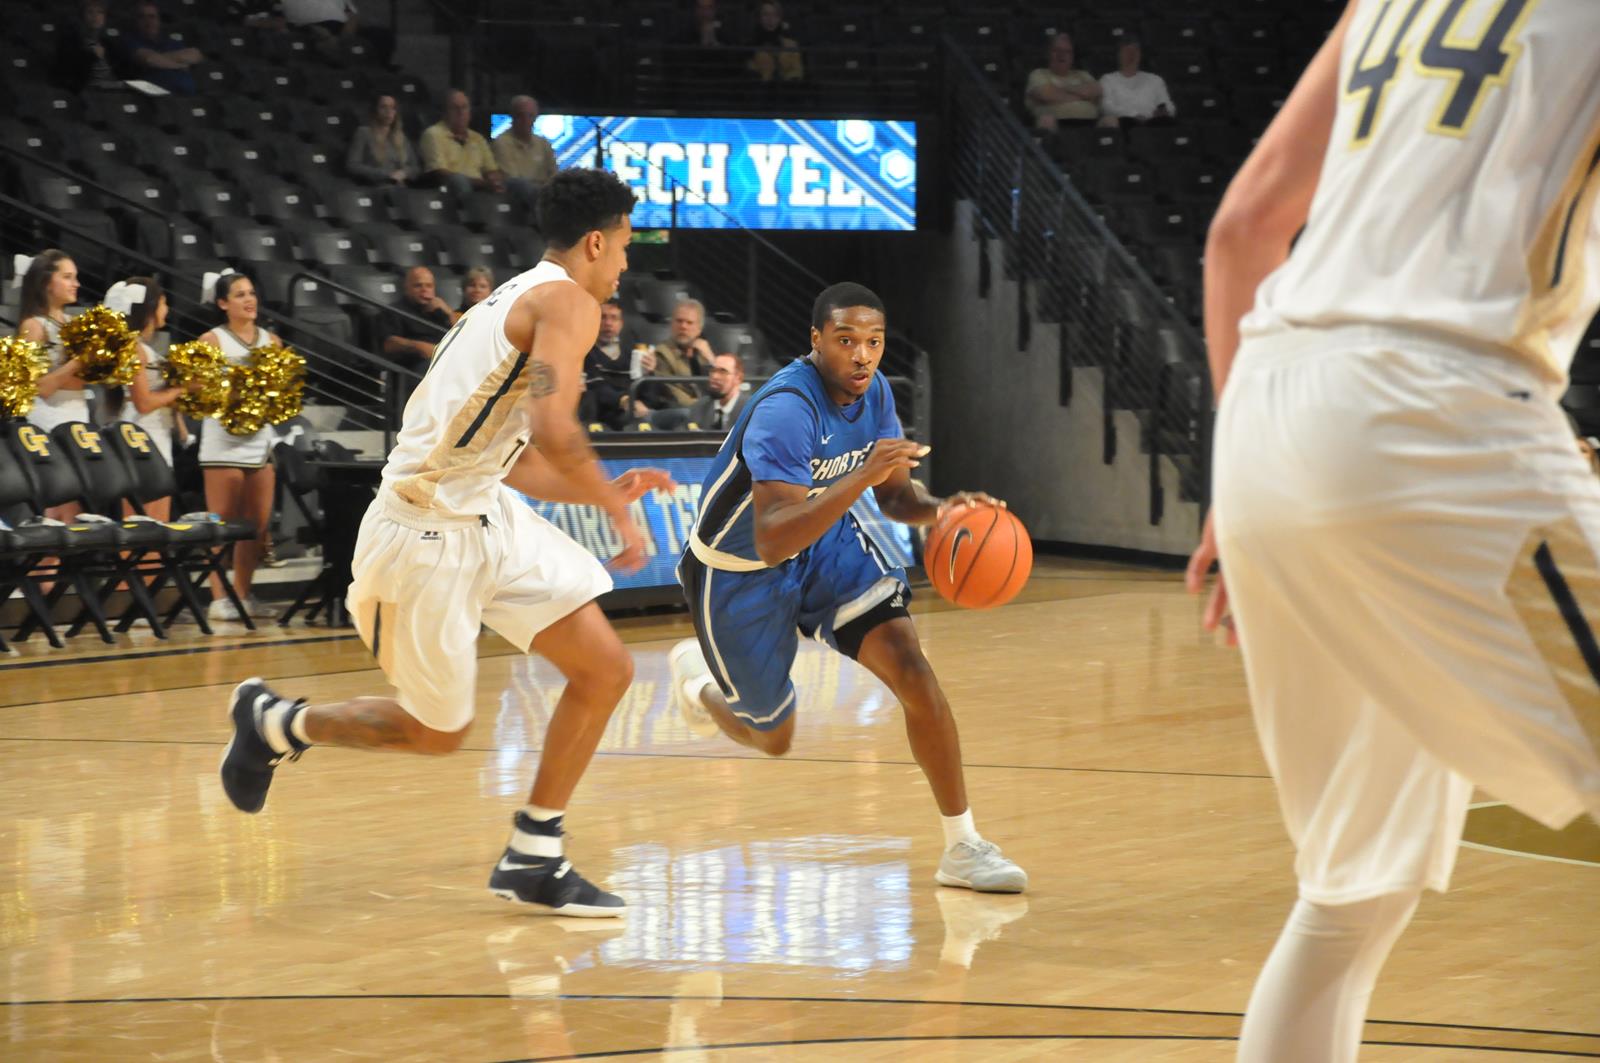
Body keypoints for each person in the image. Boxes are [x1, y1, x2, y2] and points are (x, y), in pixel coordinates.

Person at [1184, 2, 1600, 1060]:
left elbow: (1243, 227)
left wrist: (1234, 501)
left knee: (1349, 892)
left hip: (1269, 408)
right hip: (1431, 411)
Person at [219, 168, 673, 917]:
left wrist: (603, 491)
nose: (626, 265)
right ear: (597, 241)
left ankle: (535, 851)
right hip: (421, 533)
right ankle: (276, 721)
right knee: (437, 733)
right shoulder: (566, 300)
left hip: (481, 509)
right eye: (625, 246)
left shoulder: (511, 298)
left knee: (604, 667)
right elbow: (558, 428)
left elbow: (516, 452)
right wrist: (621, 518)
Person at [668, 282, 1028, 894]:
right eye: (846, 341)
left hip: (825, 548)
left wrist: (943, 511)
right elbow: (774, 538)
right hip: (738, 572)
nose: (862, 356)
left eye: (874, 342)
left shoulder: (877, 392)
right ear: (816, 341)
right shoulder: (787, 408)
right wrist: (863, 471)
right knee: (772, 736)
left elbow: (893, 496)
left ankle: (963, 845)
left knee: (914, 671)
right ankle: (697, 684)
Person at [195, 271, 281, 622]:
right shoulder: (212, 340)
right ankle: (219, 598)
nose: (249, 300)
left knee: (255, 527)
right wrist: (236, 391)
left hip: (259, 439)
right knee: (221, 527)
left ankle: (243, 595)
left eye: (252, 293)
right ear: (222, 303)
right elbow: (199, 387)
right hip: (222, 440)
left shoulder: (272, 341)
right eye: (239, 294)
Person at [104, 277, 190, 518]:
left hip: (155, 436)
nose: (168, 309)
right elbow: (143, 402)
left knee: (156, 529)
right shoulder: (133, 348)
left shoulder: (142, 348)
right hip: (140, 437)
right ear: (150, 308)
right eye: (163, 302)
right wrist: (181, 390)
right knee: (140, 527)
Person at [16, 251, 86, 436]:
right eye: (67, 277)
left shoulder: (76, 324)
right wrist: (78, 362)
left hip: (79, 411)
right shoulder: (34, 326)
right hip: (50, 417)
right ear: (46, 283)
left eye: (75, 277)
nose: (76, 284)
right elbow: (38, 388)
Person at [419, 89, 505, 200]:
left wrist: (494, 181)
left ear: (470, 112)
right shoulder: (433, 134)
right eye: (455, 108)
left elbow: (491, 169)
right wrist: (484, 183)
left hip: (481, 188)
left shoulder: (478, 138)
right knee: (459, 180)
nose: (460, 112)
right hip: (450, 192)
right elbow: (441, 173)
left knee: (518, 184)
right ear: (445, 112)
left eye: (464, 107)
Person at [113, 2, 204, 96]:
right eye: (142, 17)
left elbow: (195, 55)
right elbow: (149, 60)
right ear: (135, 21)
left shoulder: (171, 42)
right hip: (153, 100)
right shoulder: (128, 40)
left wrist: (160, 60)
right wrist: (180, 64)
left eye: (152, 16)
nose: (148, 21)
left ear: (159, 20)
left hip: (185, 98)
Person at [581, 298, 645, 431]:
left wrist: (648, 373)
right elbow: (596, 387)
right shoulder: (585, 352)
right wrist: (624, 400)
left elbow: (650, 396)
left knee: (680, 416)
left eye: (614, 318)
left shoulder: (632, 353)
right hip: (603, 418)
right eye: (603, 317)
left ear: (621, 323)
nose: (608, 323)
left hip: (639, 411)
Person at [641, 298, 715, 410]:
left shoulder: (703, 352)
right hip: (680, 413)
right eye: (679, 321)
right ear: (671, 324)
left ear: (699, 329)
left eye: (689, 323)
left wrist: (711, 359)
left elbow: (719, 386)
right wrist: (706, 408)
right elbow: (675, 395)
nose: (683, 327)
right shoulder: (662, 353)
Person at [382, 266, 456, 370]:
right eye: (418, 286)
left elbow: (464, 338)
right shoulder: (395, 310)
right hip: (415, 364)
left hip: (446, 361)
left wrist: (449, 313)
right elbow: (390, 344)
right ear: (407, 288)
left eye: (429, 286)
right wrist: (418, 347)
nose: (424, 290)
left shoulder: (440, 310)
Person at [493, 95, 558, 213]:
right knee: (522, 185)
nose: (526, 120)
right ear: (512, 117)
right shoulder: (501, 143)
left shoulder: (544, 144)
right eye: (520, 115)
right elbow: (512, 180)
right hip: (514, 198)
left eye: (530, 115)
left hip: (543, 195)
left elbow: (554, 177)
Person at [1024, 33, 1100, 132]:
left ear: (1072, 56)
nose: (1062, 55)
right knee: (1047, 120)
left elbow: (1097, 91)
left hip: (1089, 125)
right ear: (1048, 53)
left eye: (1067, 51)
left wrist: (1061, 91)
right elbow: (1046, 94)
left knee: (1110, 120)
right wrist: (1083, 96)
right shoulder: (1038, 74)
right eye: (1057, 50)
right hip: (1057, 125)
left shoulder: (1083, 75)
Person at [1097, 36, 1174, 128]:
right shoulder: (1107, 79)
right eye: (1127, 51)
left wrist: (1165, 111)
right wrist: (1135, 115)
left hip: (1153, 123)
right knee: (1109, 121)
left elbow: (1167, 104)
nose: (1131, 55)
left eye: (1135, 51)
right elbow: (1106, 107)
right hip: (1125, 122)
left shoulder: (1155, 79)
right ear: (1118, 55)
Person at [347, 94, 419, 187]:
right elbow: (352, 165)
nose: (388, 112)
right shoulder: (363, 133)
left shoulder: (401, 137)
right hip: (376, 187)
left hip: (401, 189)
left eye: (392, 108)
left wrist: (404, 172)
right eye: (383, 107)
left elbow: (415, 167)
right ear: (375, 110)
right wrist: (387, 174)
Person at [55, 0, 124, 93]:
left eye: (100, 12)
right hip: (89, 93)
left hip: (113, 91)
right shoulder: (70, 42)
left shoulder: (108, 44)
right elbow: (72, 77)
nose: (95, 16)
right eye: (90, 12)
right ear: (82, 16)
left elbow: (118, 71)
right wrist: (91, 56)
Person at [688, 352, 746, 431]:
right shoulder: (700, 407)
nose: (715, 376)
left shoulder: (751, 411)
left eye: (723, 372)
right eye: (713, 370)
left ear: (738, 378)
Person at [748, 1, 802, 83]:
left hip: (787, 90)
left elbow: (797, 70)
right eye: (766, 14)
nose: (770, 19)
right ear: (759, 18)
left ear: (780, 19)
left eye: (775, 15)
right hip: (761, 90)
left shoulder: (791, 44)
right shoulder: (751, 45)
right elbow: (750, 68)